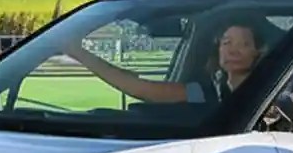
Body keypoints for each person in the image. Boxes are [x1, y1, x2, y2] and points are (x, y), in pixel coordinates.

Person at [58, 20, 266, 104]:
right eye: (226, 42)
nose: (233, 50)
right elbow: (142, 89)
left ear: (258, 52)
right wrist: (79, 52)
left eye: (244, 44)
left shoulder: (271, 95)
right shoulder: (206, 92)